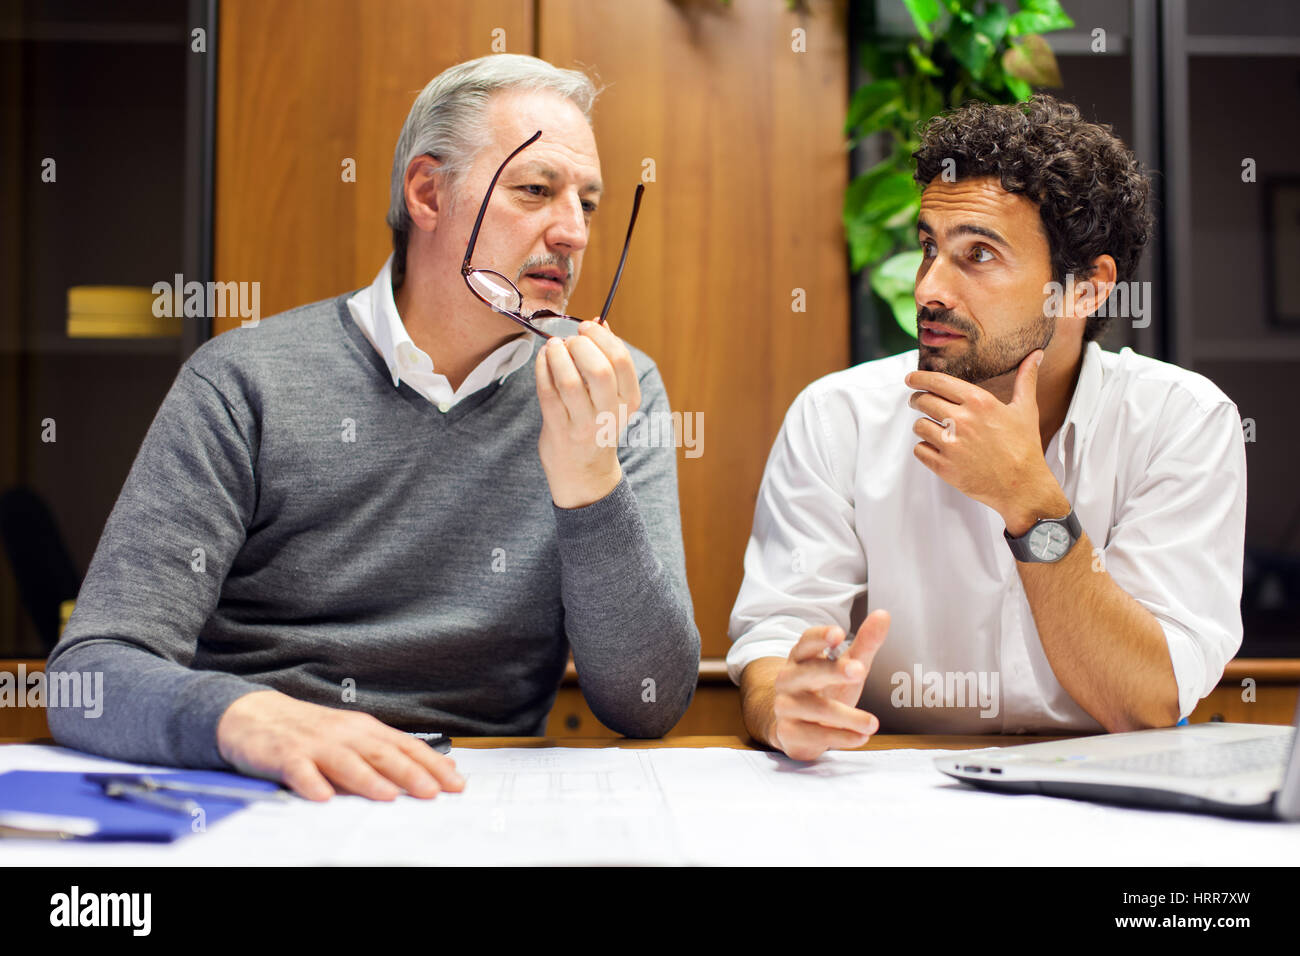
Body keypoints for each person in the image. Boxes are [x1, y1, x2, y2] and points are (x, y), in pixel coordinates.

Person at [46, 55, 700, 799]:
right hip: (268, 785)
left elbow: (648, 702)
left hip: (479, 801)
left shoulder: (617, 390)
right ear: (427, 193)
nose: (574, 232)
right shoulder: (243, 380)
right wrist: (248, 718)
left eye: (588, 203)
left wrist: (590, 484)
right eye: (535, 190)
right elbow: (90, 674)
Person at [729, 94, 1245, 761]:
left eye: (977, 255)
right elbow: (777, 637)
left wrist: (1031, 504)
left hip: (1102, 812)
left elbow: (1145, 700)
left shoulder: (1182, 422)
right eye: (928, 248)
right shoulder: (839, 418)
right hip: (894, 798)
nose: (927, 290)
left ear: (1086, 288)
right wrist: (785, 707)